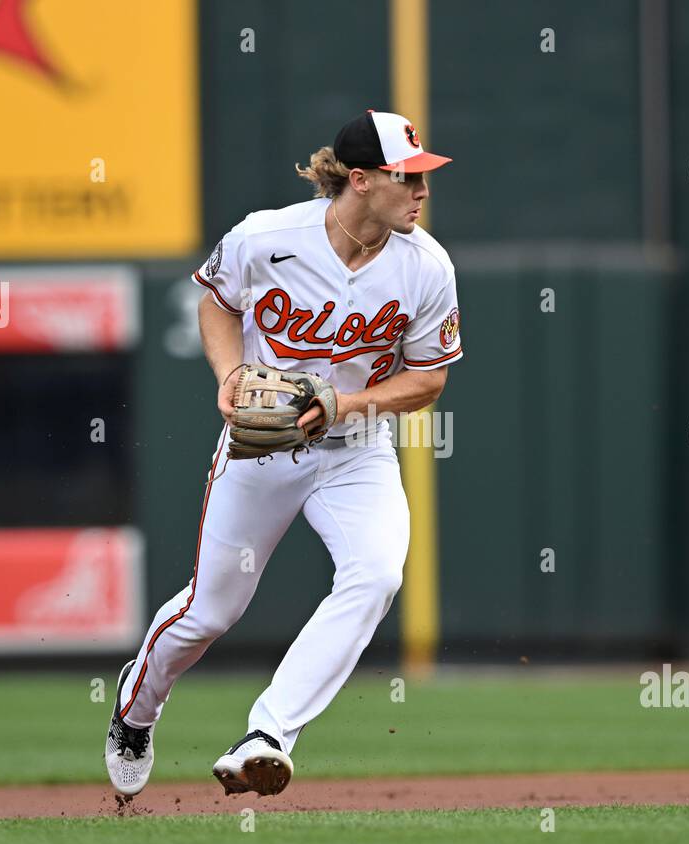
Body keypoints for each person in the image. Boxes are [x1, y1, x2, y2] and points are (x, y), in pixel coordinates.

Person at [105, 110, 463, 797]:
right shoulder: (268, 237)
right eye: (407, 177)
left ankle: (269, 733)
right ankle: (135, 708)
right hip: (261, 447)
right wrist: (230, 373)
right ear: (360, 181)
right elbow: (215, 301)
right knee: (210, 613)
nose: (421, 191)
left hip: (356, 452)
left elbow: (429, 378)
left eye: (423, 178)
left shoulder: (426, 267)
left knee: (377, 574)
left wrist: (350, 405)